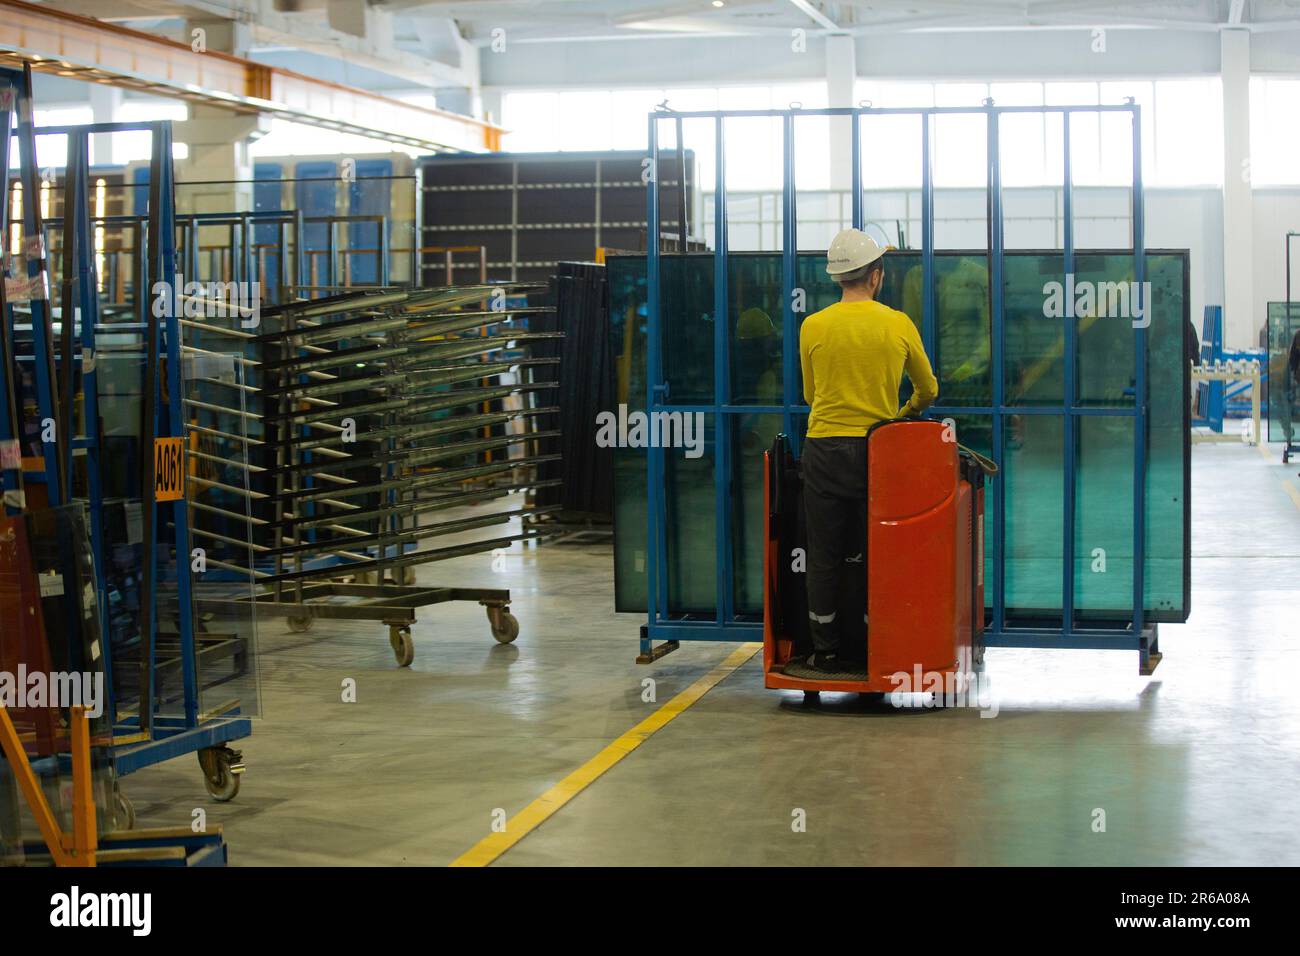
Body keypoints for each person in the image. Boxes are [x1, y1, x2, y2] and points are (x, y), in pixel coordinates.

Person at [794, 228, 939, 674]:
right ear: (875, 276)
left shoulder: (812, 325)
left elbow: (809, 395)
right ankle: (876, 644)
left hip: (822, 450)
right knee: (878, 550)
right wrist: (902, 412)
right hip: (879, 451)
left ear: (838, 278)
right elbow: (929, 389)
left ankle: (826, 650)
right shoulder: (897, 323)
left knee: (824, 554)